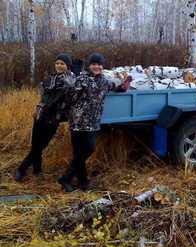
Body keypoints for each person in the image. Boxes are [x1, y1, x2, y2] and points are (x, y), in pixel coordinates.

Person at [58, 53, 132, 192]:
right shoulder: (81, 79)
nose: (96, 66)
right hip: (78, 121)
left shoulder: (104, 81)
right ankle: (71, 179)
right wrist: (69, 86)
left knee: (83, 152)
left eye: (99, 64)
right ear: (89, 65)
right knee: (84, 151)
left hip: (93, 122)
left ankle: (78, 181)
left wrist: (127, 81)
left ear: (102, 66)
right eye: (94, 64)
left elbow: (117, 87)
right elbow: (70, 96)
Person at [14, 53, 75, 182]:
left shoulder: (70, 79)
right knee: (35, 144)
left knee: (41, 145)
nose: (59, 65)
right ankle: (37, 170)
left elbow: (68, 95)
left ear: (68, 66)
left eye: (62, 64)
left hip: (53, 117)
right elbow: (43, 94)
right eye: (57, 63)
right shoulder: (50, 78)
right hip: (40, 114)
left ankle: (21, 169)